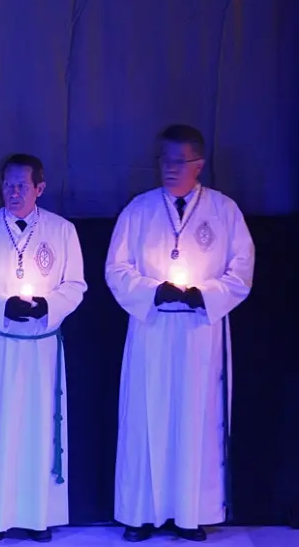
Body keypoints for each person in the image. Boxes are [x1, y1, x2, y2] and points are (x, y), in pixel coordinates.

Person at [105, 124, 255, 542]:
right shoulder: (139, 210)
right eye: (164, 160)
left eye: (178, 161)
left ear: (198, 164)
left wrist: (203, 296)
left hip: (199, 333)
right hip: (152, 328)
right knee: (145, 417)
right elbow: (116, 269)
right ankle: (140, 513)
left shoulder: (224, 211)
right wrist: (154, 291)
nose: (169, 168)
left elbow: (242, 270)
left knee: (195, 420)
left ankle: (191, 513)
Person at [0, 154, 87, 543]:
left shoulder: (62, 231)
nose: (12, 192)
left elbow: (75, 285)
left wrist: (47, 307)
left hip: (40, 349)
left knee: (38, 429)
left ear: (39, 188)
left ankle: (37, 516)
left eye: (21, 186)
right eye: (7, 184)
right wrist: (1, 306)